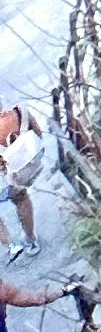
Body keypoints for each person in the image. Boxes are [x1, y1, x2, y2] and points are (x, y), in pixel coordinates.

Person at [0, 110, 36, 258]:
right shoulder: (14, 113)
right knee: (21, 200)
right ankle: (31, 239)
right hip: (13, 171)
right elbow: (37, 130)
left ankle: (11, 245)